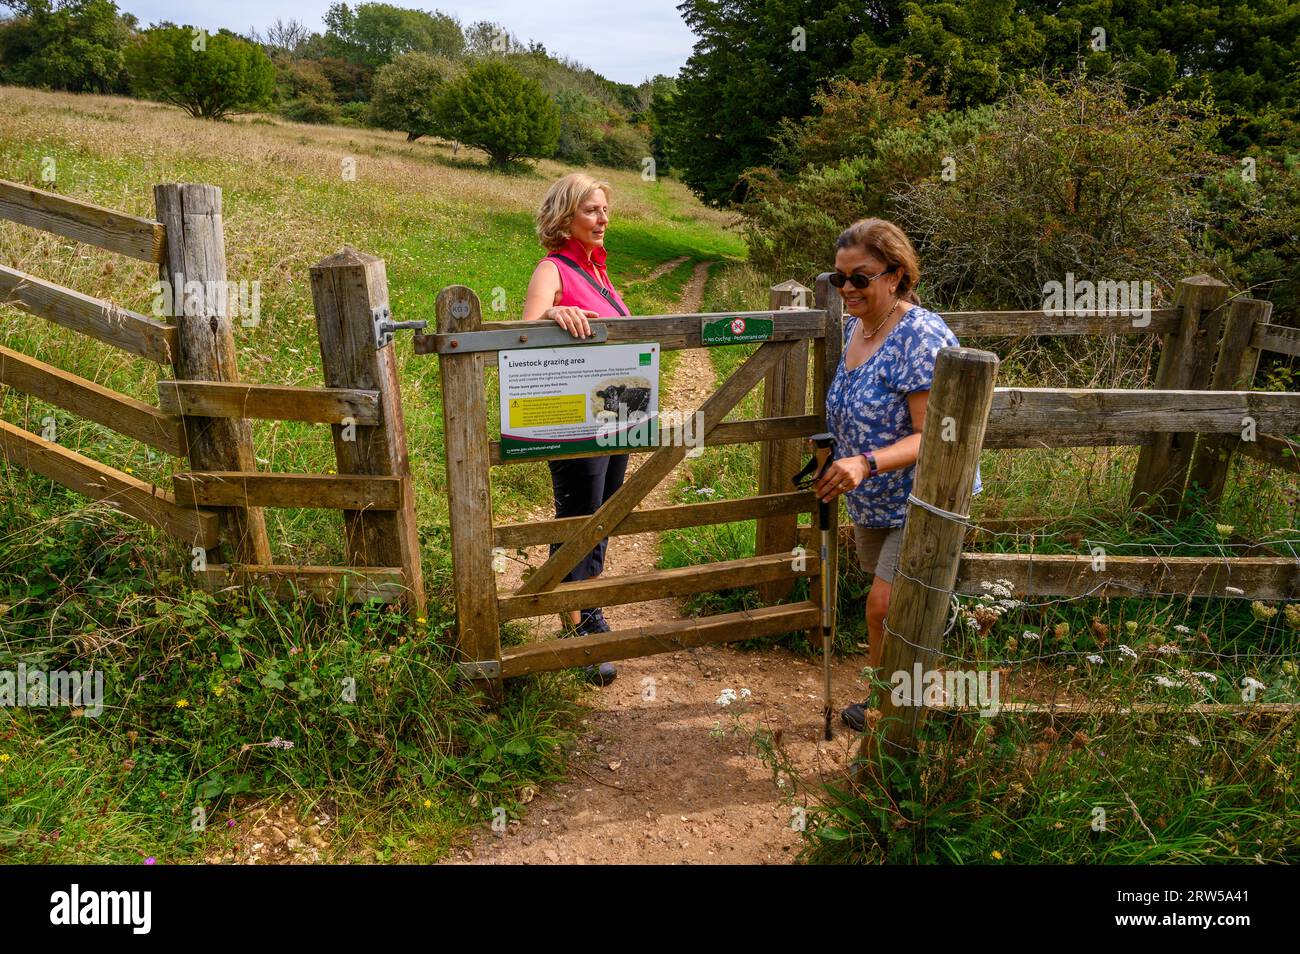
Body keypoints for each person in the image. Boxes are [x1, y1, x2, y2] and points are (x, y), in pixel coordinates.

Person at [811, 218, 982, 731]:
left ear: (895, 274)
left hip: (922, 496)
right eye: (840, 278)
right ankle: (905, 691)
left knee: (885, 606)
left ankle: (892, 711)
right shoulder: (854, 328)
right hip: (870, 496)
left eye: (860, 278)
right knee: (894, 607)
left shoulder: (919, 335)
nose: (846, 289)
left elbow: (936, 434)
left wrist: (865, 462)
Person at [520, 173, 632, 686]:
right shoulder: (554, 268)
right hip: (571, 414)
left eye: (605, 210)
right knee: (579, 512)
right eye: (591, 210)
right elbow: (530, 326)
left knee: (606, 510)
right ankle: (578, 621)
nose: (602, 219)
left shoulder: (604, 274)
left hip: (616, 411)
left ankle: (585, 602)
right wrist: (555, 312)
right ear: (565, 217)